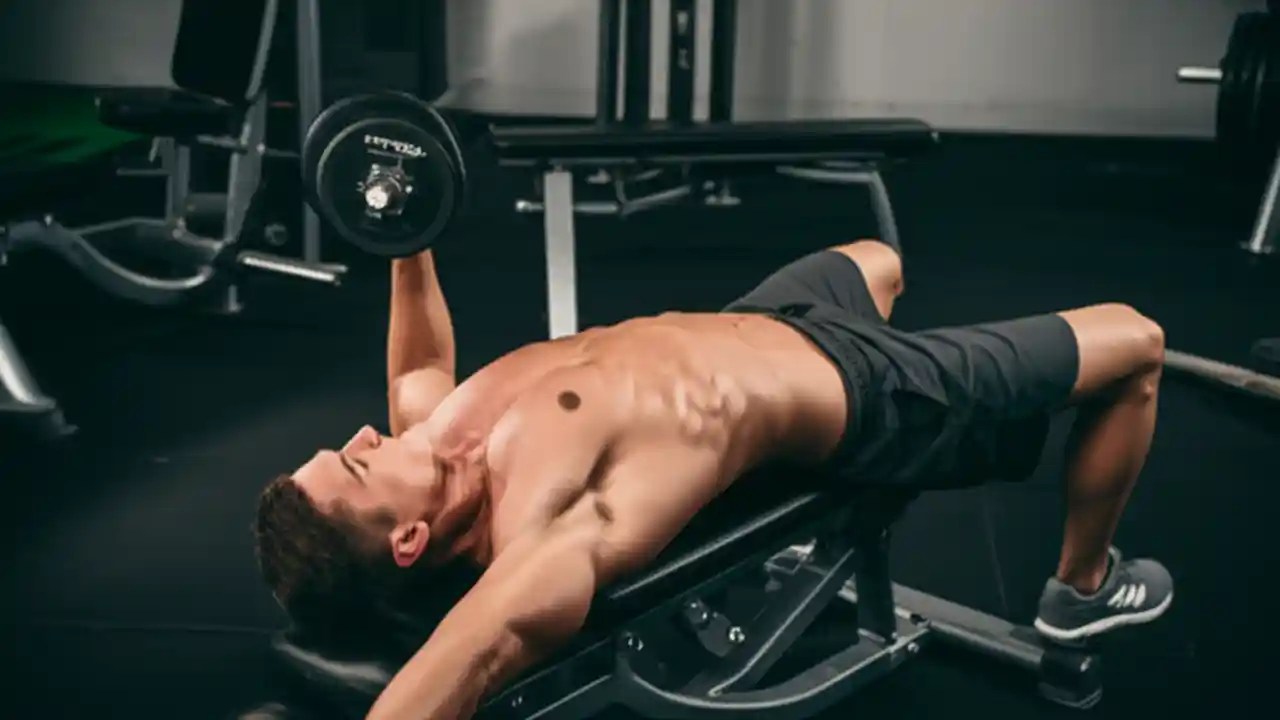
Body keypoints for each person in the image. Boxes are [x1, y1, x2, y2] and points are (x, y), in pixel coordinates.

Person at [254, 239, 1173, 720]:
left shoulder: (434, 441)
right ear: (410, 539)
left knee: (877, 261)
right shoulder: (550, 525)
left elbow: (416, 370)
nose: (368, 433)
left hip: (766, 320)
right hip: (865, 391)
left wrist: (407, 239)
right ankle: (1080, 591)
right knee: (1136, 344)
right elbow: (470, 656)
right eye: (355, 462)